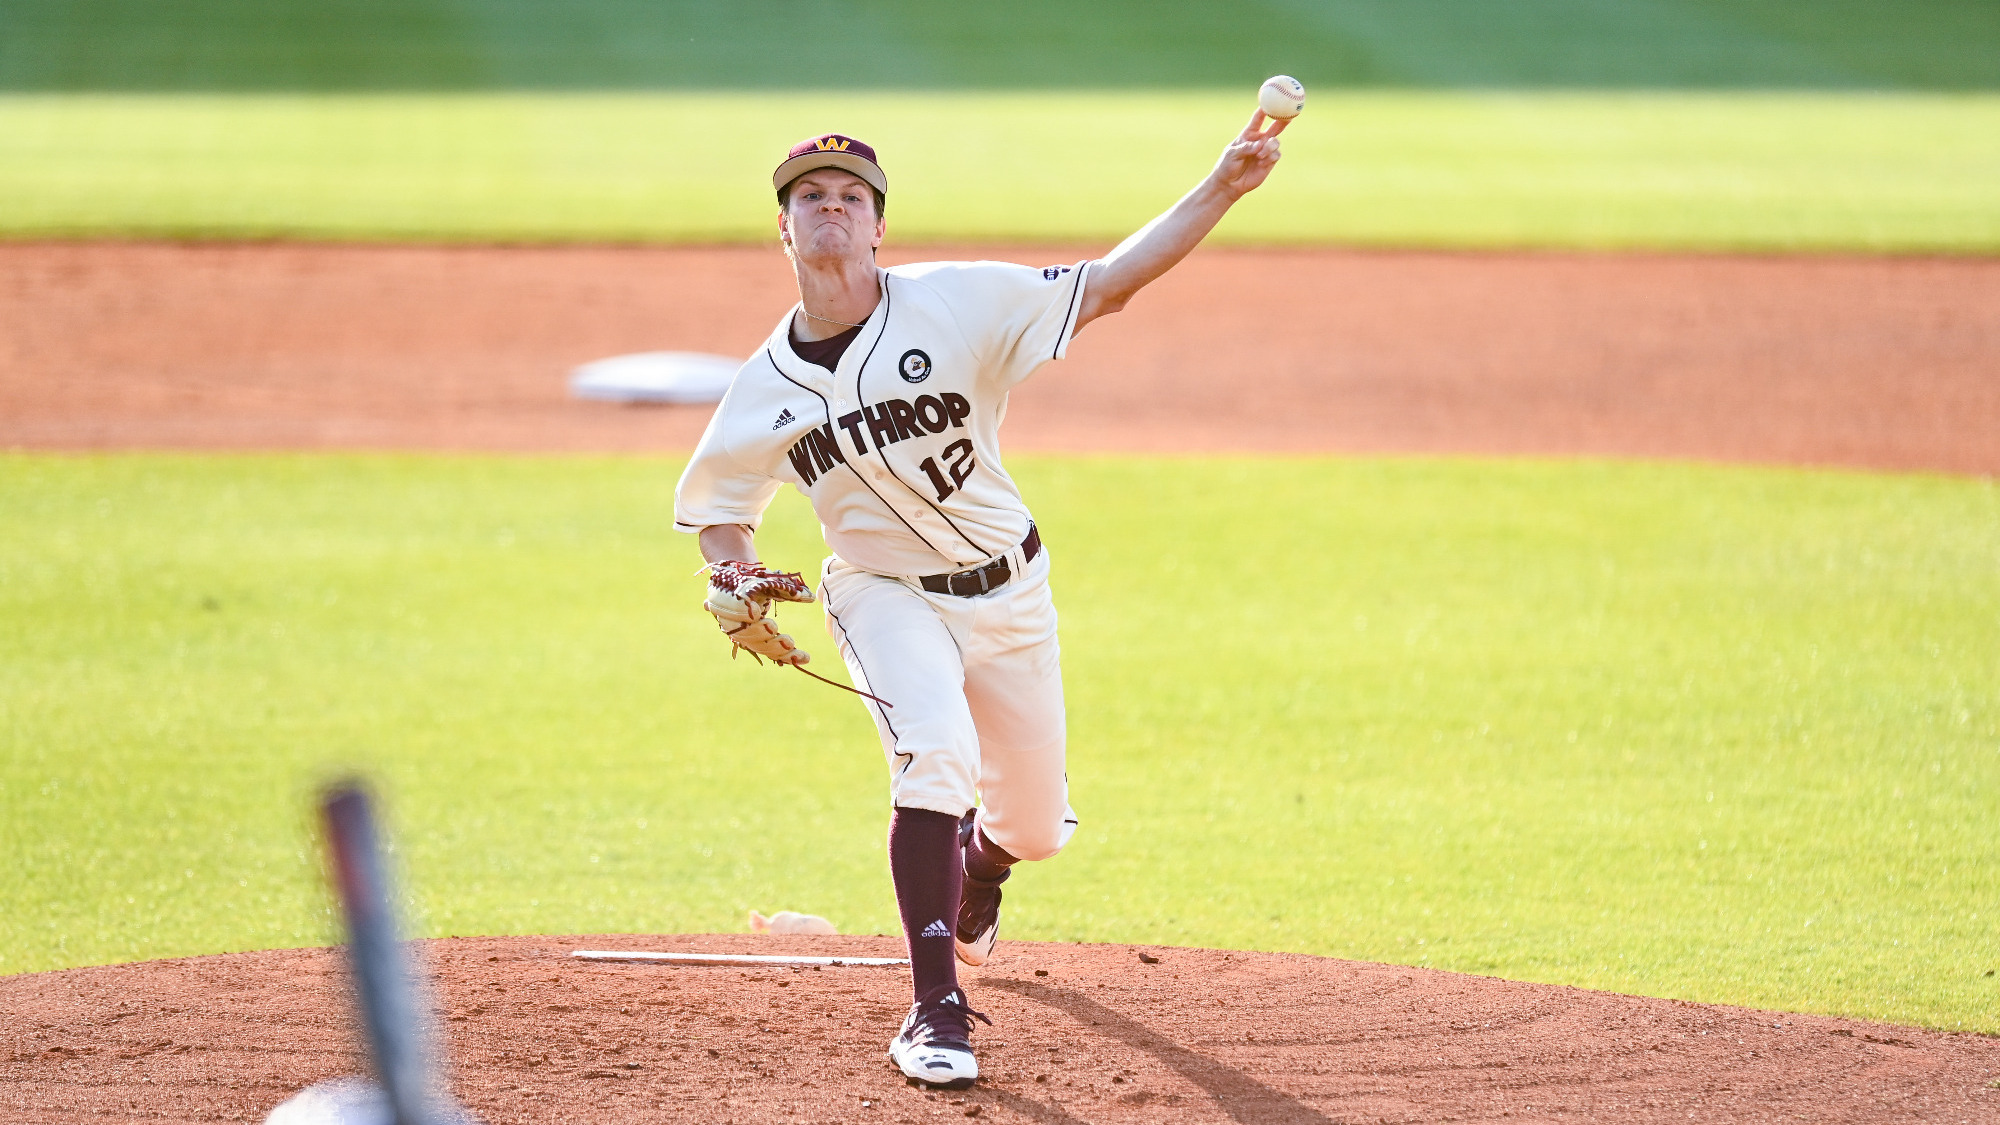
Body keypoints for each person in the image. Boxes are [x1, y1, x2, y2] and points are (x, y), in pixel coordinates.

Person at [674, 114, 1286, 1089]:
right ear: (782, 233)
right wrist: (732, 572)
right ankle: (933, 1011)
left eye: (850, 198)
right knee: (933, 756)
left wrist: (1222, 185)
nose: (829, 210)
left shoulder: (956, 302)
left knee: (1035, 827)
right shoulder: (761, 390)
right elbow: (717, 509)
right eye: (808, 199)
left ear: (878, 228)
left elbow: (1106, 285)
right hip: (881, 598)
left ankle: (981, 869)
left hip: (1011, 593)